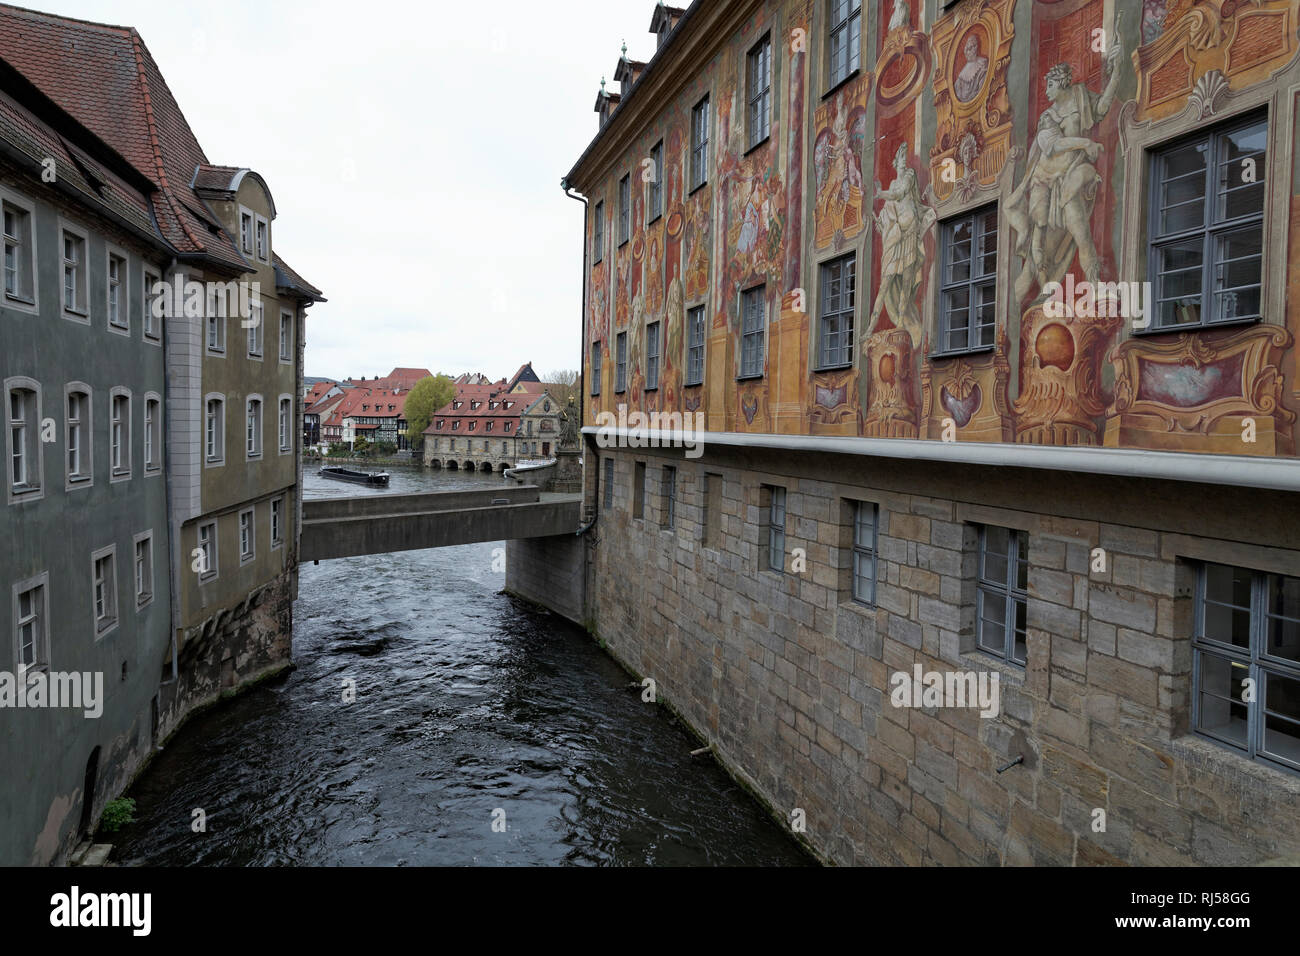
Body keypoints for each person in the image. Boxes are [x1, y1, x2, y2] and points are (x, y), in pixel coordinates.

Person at [955, 33, 988, 102]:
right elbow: (957, 93)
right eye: (967, 49)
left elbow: (982, 89)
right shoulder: (960, 77)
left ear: (977, 47)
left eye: (972, 47)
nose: (969, 51)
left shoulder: (983, 64)